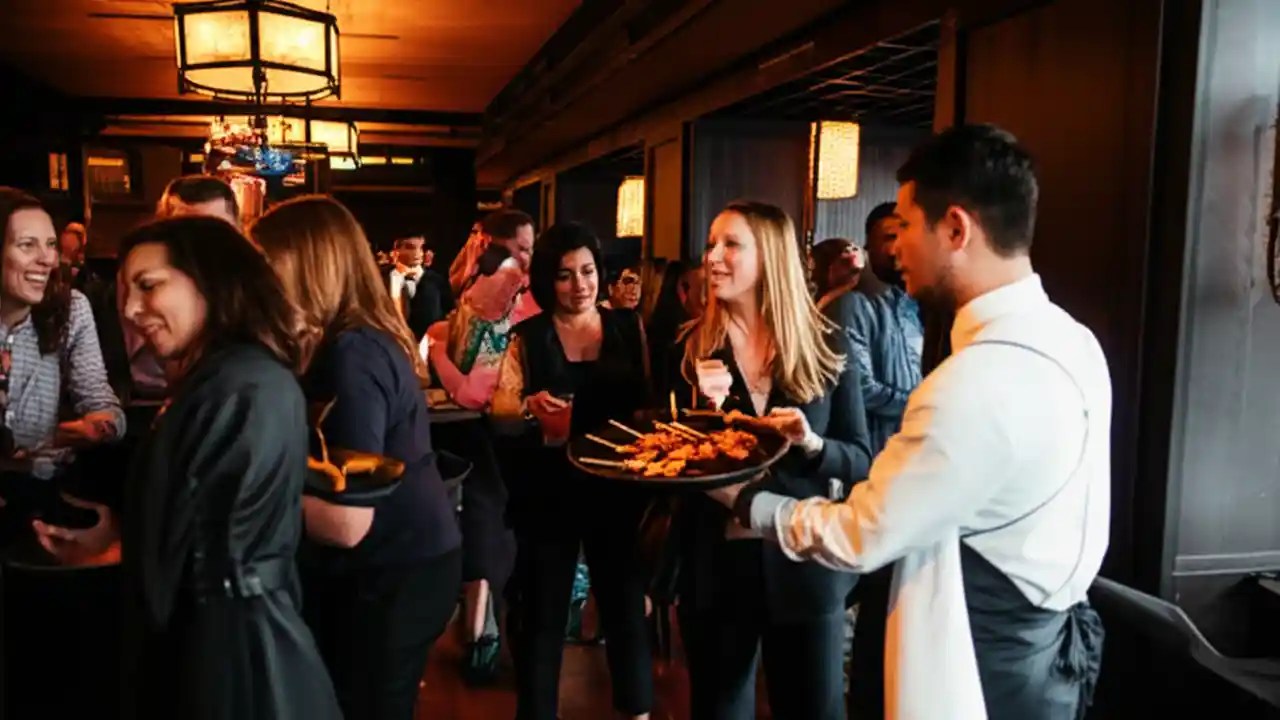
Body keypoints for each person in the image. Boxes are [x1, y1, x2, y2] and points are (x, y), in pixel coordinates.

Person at [720, 125, 1109, 720]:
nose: (892, 248)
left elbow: (860, 534)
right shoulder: (1075, 340)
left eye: (902, 228)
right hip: (1050, 657)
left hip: (983, 668)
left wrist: (748, 503)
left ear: (955, 229)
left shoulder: (971, 381)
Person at [33, 215, 340, 718]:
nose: (131, 310)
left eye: (149, 286)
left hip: (236, 662)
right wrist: (118, 543)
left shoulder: (245, 387)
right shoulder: (224, 382)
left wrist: (124, 557)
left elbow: (220, 553)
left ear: (214, 281)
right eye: (125, 293)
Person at [252, 196, 463, 720]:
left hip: (397, 569)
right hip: (409, 560)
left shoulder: (354, 353)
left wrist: (249, 484)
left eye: (267, 265)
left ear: (309, 266)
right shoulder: (354, 339)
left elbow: (347, 521)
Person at [667, 200, 872, 720]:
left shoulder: (826, 343)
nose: (712, 256)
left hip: (805, 565)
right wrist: (703, 441)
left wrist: (812, 445)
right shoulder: (692, 350)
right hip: (715, 569)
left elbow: (861, 460)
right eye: (711, 244)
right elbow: (665, 455)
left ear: (771, 257)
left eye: (730, 244)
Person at [491, 223, 654, 720]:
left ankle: (638, 711)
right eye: (564, 275)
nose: (579, 284)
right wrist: (526, 409)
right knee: (542, 615)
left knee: (625, 610)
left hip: (618, 486)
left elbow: (649, 402)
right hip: (550, 491)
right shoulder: (528, 336)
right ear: (546, 280)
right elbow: (500, 410)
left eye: (587, 271)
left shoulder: (629, 327)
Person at [0, 189, 123, 463]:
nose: (48, 259)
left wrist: (103, 424)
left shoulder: (71, 308)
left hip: (41, 488)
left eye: (51, 244)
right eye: (27, 244)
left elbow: (99, 399)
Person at [386, 233, 452, 339]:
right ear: (396, 251)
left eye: (421, 247)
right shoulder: (380, 279)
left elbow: (449, 313)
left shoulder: (437, 281)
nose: (418, 252)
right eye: (410, 247)